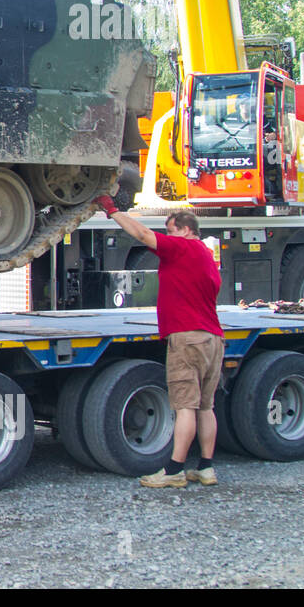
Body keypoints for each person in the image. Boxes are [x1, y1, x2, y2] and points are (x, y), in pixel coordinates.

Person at [94, 196, 222, 487]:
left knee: (185, 406)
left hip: (187, 338)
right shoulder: (206, 256)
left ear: (186, 230)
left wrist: (113, 212)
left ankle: (174, 471)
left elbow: (142, 234)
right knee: (205, 406)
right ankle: (205, 467)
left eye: (172, 230)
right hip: (213, 338)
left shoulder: (182, 248)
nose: (168, 236)